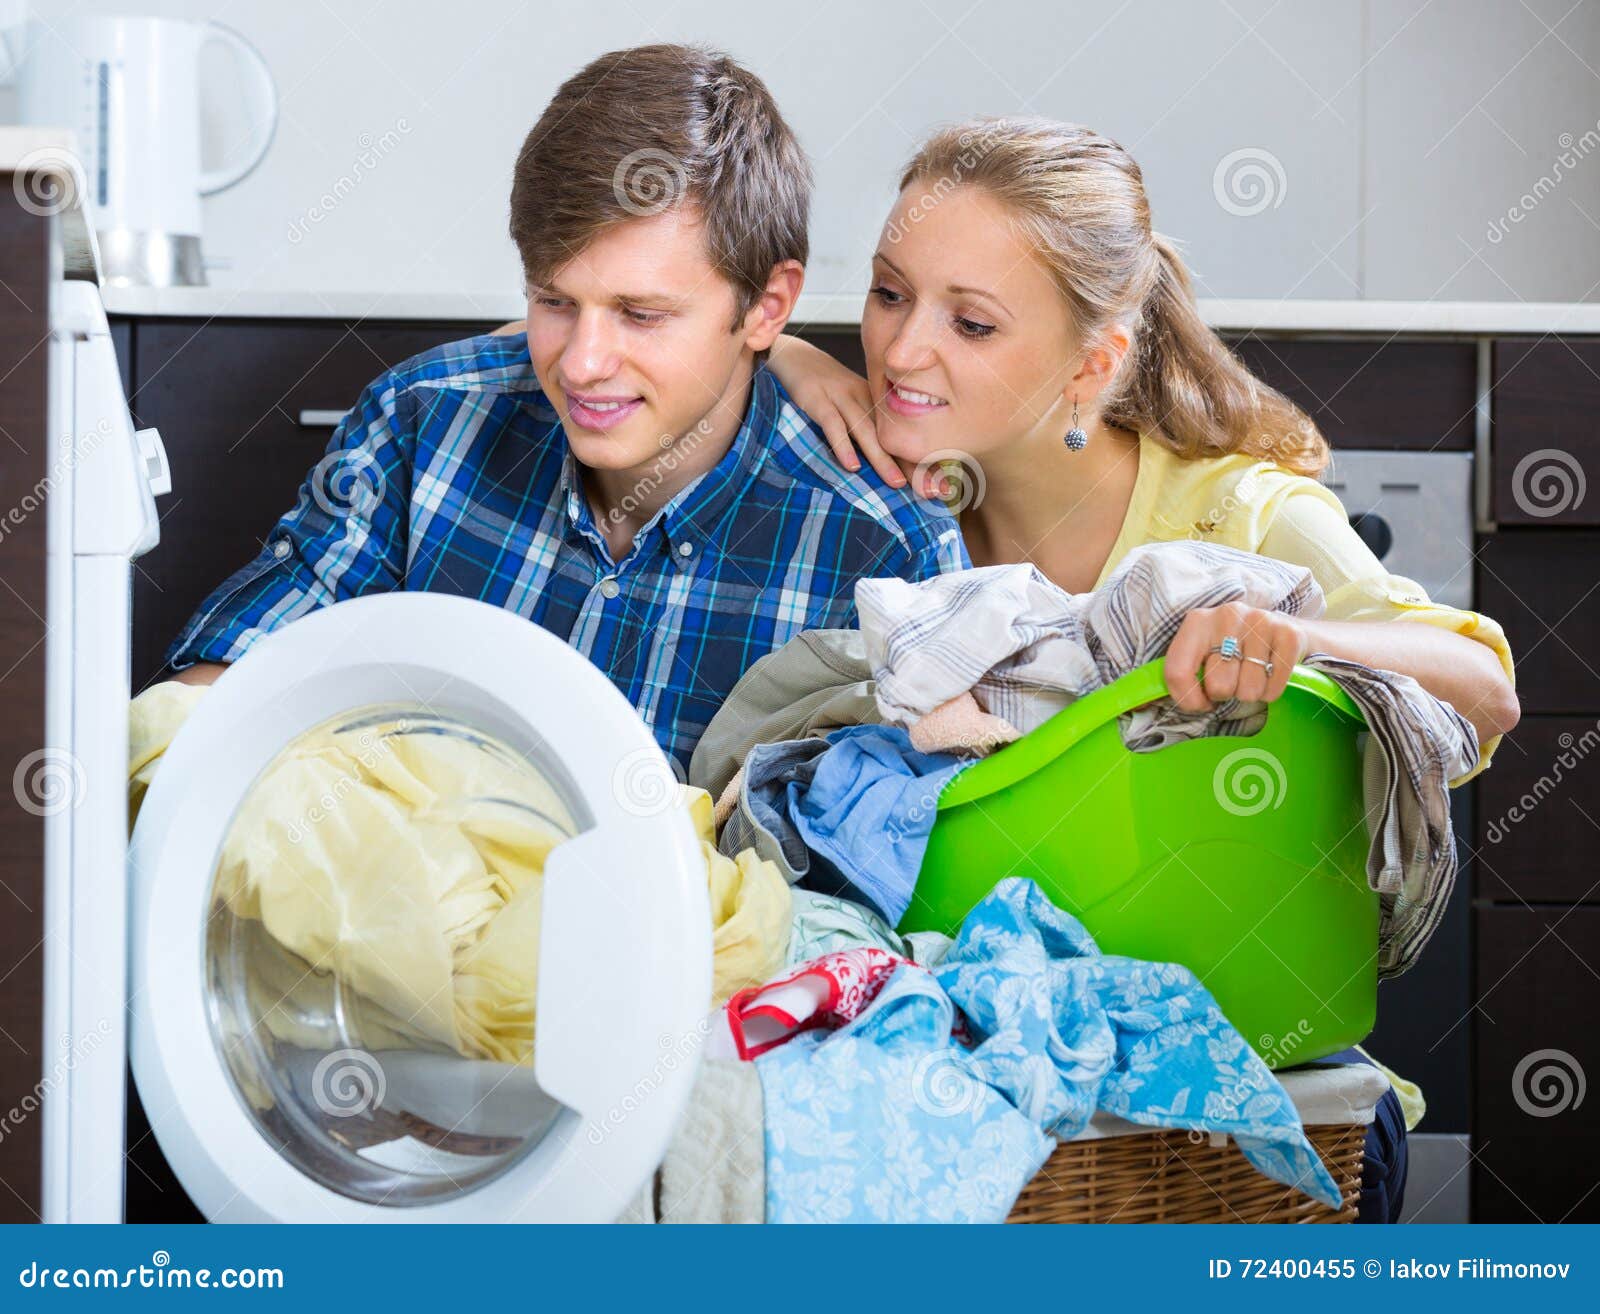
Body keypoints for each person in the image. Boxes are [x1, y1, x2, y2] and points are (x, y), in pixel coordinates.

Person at [760, 117, 1522, 1222]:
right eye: (886, 295)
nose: (901, 349)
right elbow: (564, 325)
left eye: (969, 321)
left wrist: (1292, 638)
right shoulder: (894, 508)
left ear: (1094, 364)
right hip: (988, 1102)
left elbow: (1480, 684)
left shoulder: (1233, 516)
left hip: (1253, 1127)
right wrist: (772, 347)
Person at [160, 45, 965, 773]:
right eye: (554, 300)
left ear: (766, 307)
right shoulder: (422, 423)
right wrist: (171, 753)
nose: (580, 365)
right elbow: (246, 663)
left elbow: (903, 857)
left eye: (640, 314)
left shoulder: (886, 545)